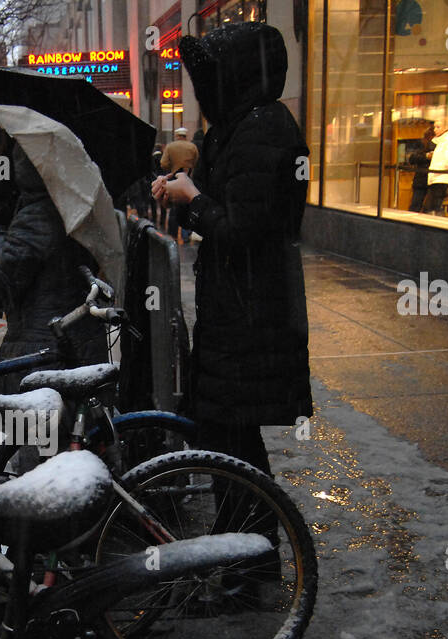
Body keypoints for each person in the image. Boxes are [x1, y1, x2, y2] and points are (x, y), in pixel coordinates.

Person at [153, 22, 312, 479]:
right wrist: (181, 194)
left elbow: (244, 228)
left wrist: (193, 201)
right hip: (233, 307)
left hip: (252, 311)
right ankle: (243, 539)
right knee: (227, 439)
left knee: (235, 442)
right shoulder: (234, 127)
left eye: (210, 80)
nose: (203, 92)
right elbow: (216, 209)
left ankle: (254, 546)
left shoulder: (263, 128)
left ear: (235, 76)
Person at [0, 142, 106, 393]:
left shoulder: (42, 212)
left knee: (35, 430)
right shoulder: (77, 203)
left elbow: (4, 279)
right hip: (76, 339)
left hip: (43, 346)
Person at [160, 128, 199, 244]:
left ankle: (173, 234)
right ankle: (186, 233)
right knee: (189, 205)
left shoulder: (171, 147)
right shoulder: (192, 147)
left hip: (174, 176)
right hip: (189, 178)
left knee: (174, 207)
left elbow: (163, 163)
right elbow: (197, 162)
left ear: (177, 135)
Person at [422, 119, 448, 215]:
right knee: (432, 206)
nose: (435, 130)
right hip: (437, 177)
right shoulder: (441, 141)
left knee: (431, 206)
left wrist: (437, 169)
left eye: (438, 127)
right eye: (434, 127)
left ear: (446, 128)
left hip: (440, 177)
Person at [406, 121, 435, 212]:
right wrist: (427, 156)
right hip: (423, 180)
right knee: (418, 206)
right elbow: (412, 158)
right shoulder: (422, 147)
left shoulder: (441, 145)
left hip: (429, 180)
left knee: (423, 206)